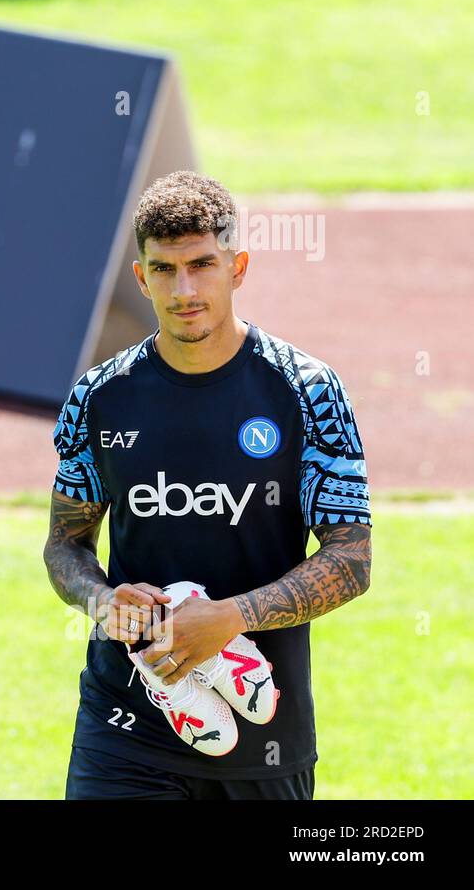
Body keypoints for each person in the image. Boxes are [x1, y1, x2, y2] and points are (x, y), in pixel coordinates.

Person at [44, 170, 372, 799]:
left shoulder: (306, 392)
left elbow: (352, 559)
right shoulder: (99, 397)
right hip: (124, 732)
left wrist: (229, 619)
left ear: (238, 268)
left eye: (202, 264)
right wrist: (102, 601)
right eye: (164, 270)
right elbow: (65, 545)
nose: (184, 289)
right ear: (141, 278)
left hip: (265, 736)